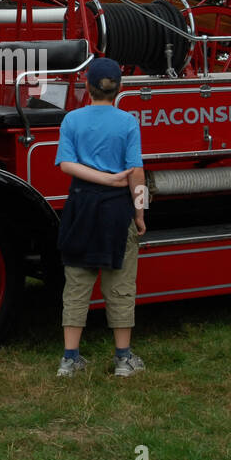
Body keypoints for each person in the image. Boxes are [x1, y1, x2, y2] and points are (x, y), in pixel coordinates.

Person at [54, 57, 147, 378]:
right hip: (116, 211)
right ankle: (123, 360)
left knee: (77, 285)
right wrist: (140, 213)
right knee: (121, 286)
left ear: (87, 87)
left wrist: (96, 178)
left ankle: (69, 360)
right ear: (119, 88)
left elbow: (65, 164)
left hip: (80, 208)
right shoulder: (128, 123)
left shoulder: (71, 120)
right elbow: (137, 174)